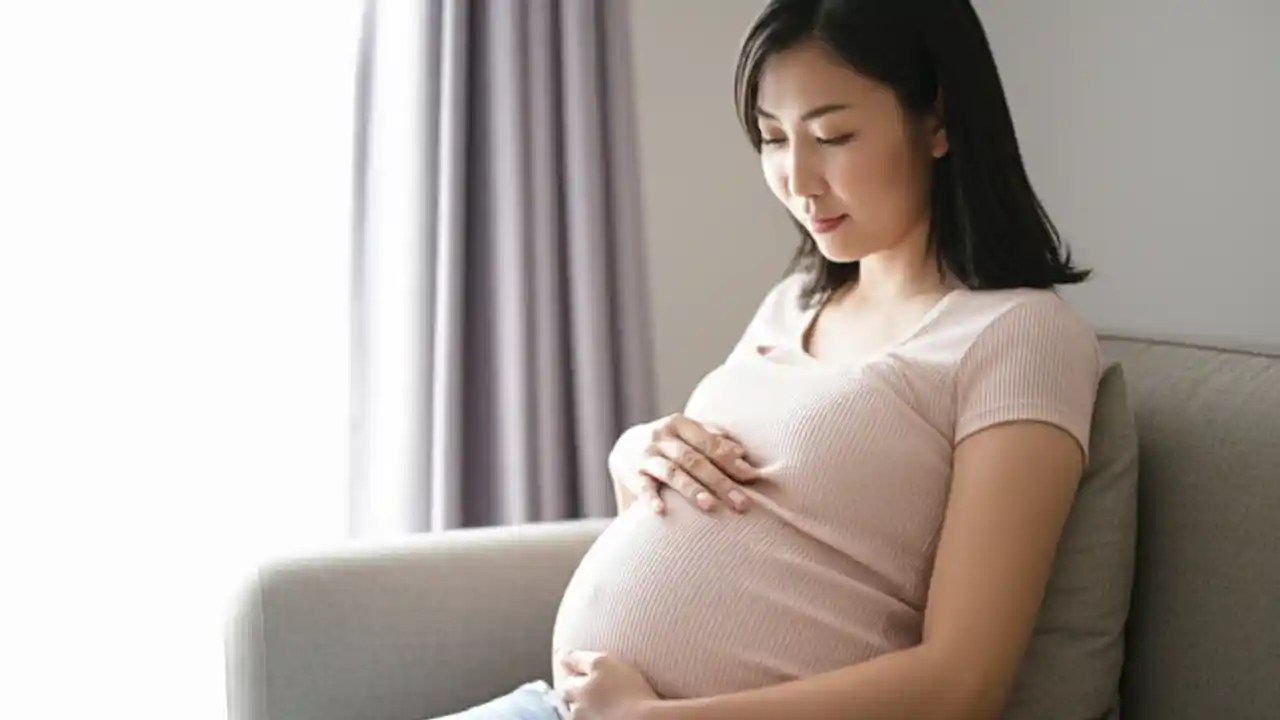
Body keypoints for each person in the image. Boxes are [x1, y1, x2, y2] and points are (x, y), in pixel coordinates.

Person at [434, 0, 1101, 718]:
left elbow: (962, 684)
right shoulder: (794, 304)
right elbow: (722, 525)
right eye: (772, 139)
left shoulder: (1019, 335)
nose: (798, 179)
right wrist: (636, 459)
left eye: (832, 135)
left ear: (937, 120)